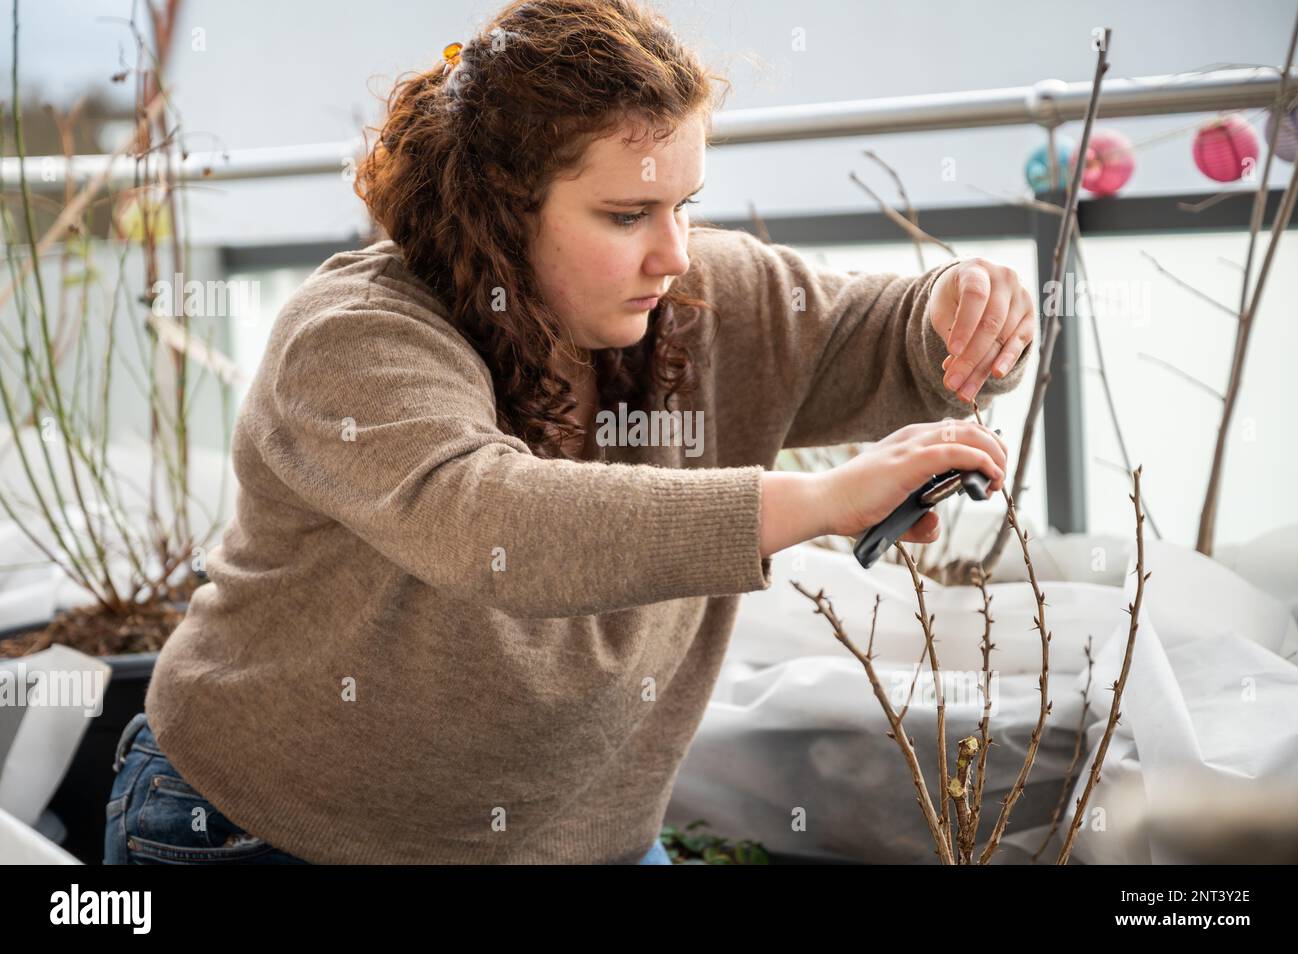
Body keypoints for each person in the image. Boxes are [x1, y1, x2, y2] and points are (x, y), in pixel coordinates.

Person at [105, 0, 1034, 866]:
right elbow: (495, 524)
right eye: (627, 215)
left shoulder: (699, 292)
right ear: (500, 214)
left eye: (685, 204)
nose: (673, 253)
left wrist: (959, 313)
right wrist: (817, 501)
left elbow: (878, 337)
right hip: (267, 830)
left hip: (581, 842)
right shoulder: (354, 337)